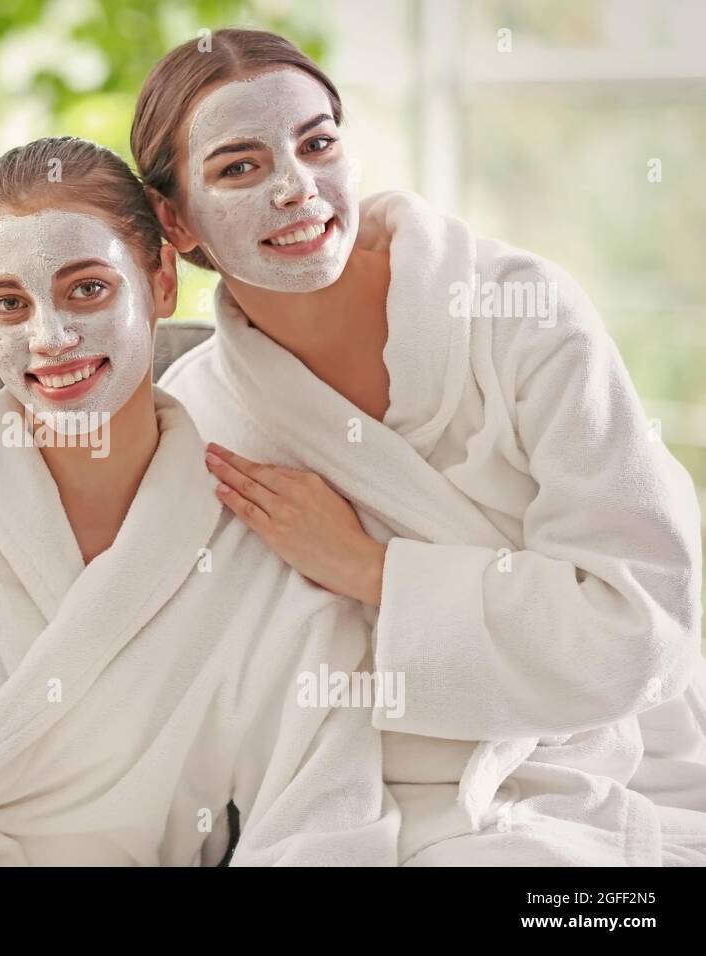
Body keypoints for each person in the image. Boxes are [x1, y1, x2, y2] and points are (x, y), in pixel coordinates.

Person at [133, 28, 704, 864]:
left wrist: (370, 570)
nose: (298, 189)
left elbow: (640, 628)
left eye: (317, 144)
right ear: (174, 220)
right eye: (239, 167)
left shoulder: (519, 316)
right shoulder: (201, 419)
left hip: (596, 763)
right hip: (366, 800)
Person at [0, 137, 398, 866]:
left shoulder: (260, 533)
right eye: (8, 304)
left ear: (163, 281)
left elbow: (324, 818)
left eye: (87, 289)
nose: (50, 338)